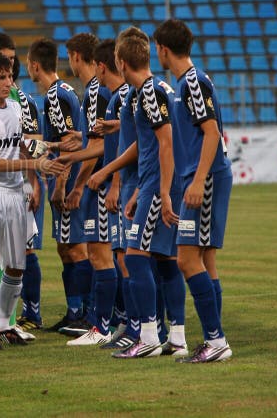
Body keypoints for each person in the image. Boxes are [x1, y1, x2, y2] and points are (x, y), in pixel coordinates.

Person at [88, 35, 182, 359]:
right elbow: (146, 144)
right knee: (164, 261)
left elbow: (165, 144)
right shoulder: (147, 92)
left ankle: (149, 335)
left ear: (121, 62)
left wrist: (162, 192)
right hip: (149, 185)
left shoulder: (150, 93)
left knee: (135, 257)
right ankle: (175, 337)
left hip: (157, 187)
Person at [0, 51, 57, 351]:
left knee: (17, 266)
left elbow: (20, 145)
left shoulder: (15, 107)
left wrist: (52, 146)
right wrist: (34, 168)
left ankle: (6, 323)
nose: (8, 83)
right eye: (1, 77)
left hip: (14, 192)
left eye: (10, 77)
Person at [154, 18, 233, 363]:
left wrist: (199, 180)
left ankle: (216, 341)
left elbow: (211, 132)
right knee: (205, 261)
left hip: (206, 177)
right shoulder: (191, 82)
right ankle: (213, 340)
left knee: (186, 258)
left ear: (163, 49)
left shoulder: (191, 83)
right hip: (202, 176)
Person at [52, 40, 124, 345]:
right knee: (114, 255)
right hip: (109, 179)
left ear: (76, 56)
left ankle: (101, 325)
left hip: (103, 183)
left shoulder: (97, 90)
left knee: (102, 254)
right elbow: (98, 138)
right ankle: (121, 322)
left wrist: (75, 178)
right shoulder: (99, 91)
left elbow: (98, 147)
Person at [23, 38, 84, 334]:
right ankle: (77, 312)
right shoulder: (64, 92)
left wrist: (61, 184)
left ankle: (82, 314)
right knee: (67, 248)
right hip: (64, 177)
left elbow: (70, 143)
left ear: (35, 65)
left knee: (74, 248)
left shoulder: (55, 97)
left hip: (67, 180)